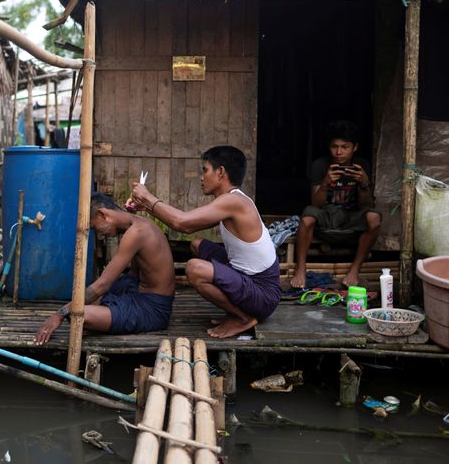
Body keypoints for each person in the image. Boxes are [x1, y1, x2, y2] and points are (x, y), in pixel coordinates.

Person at [130, 146, 280, 339]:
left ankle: (243, 318)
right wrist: (147, 206)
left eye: (205, 170)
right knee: (197, 245)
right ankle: (234, 310)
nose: (202, 177)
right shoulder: (232, 199)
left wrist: (147, 196)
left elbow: (182, 223)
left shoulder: (233, 202)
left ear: (221, 172)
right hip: (250, 280)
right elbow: (187, 226)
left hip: (263, 295)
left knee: (194, 269)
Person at [34, 193, 175, 345]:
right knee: (95, 297)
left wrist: (60, 314)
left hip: (152, 309)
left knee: (78, 315)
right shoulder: (137, 223)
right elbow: (132, 275)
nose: (99, 235)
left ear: (103, 214)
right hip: (137, 290)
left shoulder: (137, 232)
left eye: (95, 227)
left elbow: (103, 284)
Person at [292, 120, 380, 288]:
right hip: (326, 218)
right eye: (334, 146)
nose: (339, 152)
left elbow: (365, 205)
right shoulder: (320, 165)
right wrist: (325, 183)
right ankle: (300, 268)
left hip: (351, 219)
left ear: (355, 147)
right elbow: (315, 204)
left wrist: (364, 183)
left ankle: (355, 270)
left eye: (345, 147)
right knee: (307, 217)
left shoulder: (361, 165)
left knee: (374, 218)